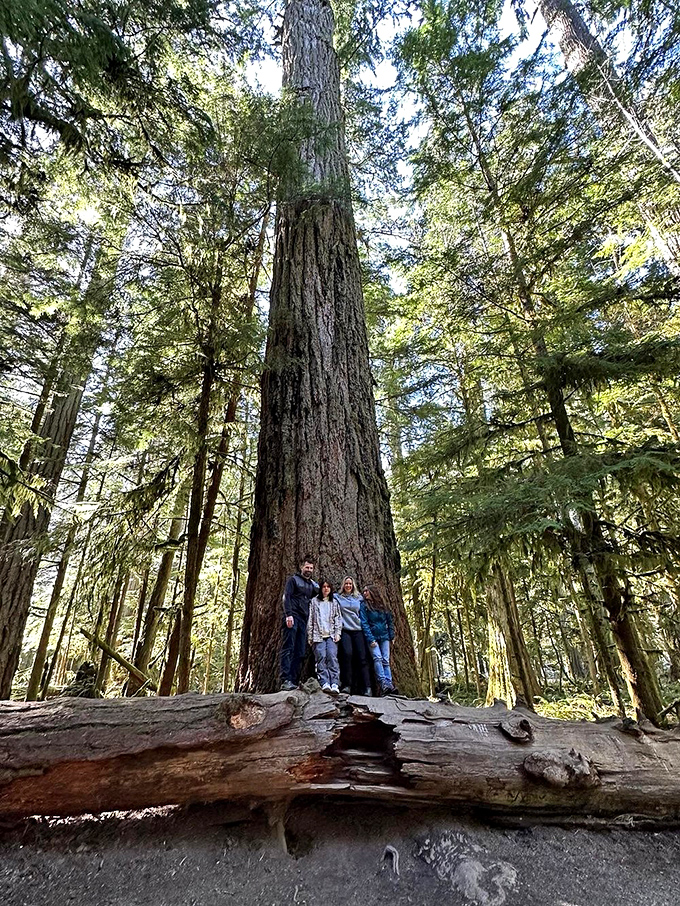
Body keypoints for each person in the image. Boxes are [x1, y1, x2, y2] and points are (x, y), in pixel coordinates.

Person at [280, 556, 318, 691]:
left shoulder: (311, 585)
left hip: (304, 619)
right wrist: (288, 614)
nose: (309, 570)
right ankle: (285, 680)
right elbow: (286, 596)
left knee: (300, 651)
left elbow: (323, 593)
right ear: (302, 567)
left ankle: (294, 681)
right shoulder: (293, 580)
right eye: (307, 567)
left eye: (311, 568)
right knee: (288, 647)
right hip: (292, 617)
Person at [335, 575, 372, 696]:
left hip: (358, 630)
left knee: (362, 657)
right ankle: (347, 685)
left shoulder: (359, 598)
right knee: (347, 654)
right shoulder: (338, 597)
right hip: (345, 630)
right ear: (343, 585)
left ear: (353, 585)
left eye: (350, 584)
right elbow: (324, 592)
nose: (348, 586)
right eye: (346, 584)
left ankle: (367, 687)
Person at [307, 579, 342, 693]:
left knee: (332, 657)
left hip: (331, 635)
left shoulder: (334, 602)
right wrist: (310, 637)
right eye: (324, 587)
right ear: (321, 589)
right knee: (321, 657)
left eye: (328, 587)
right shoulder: (314, 602)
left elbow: (338, 619)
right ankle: (324, 682)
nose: (326, 589)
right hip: (318, 635)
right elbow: (311, 620)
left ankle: (335, 683)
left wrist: (338, 633)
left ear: (330, 589)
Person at [361, 584, 396, 696]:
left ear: (372, 592)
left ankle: (389, 684)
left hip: (384, 636)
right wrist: (370, 639)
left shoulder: (382, 605)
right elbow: (364, 623)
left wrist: (391, 636)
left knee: (385, 660)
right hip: (373, 637)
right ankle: (383, 684)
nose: (365, 593)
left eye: (367, 591)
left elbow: (389, 621)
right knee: (377, 658)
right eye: (364, 591)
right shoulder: (364, 606)